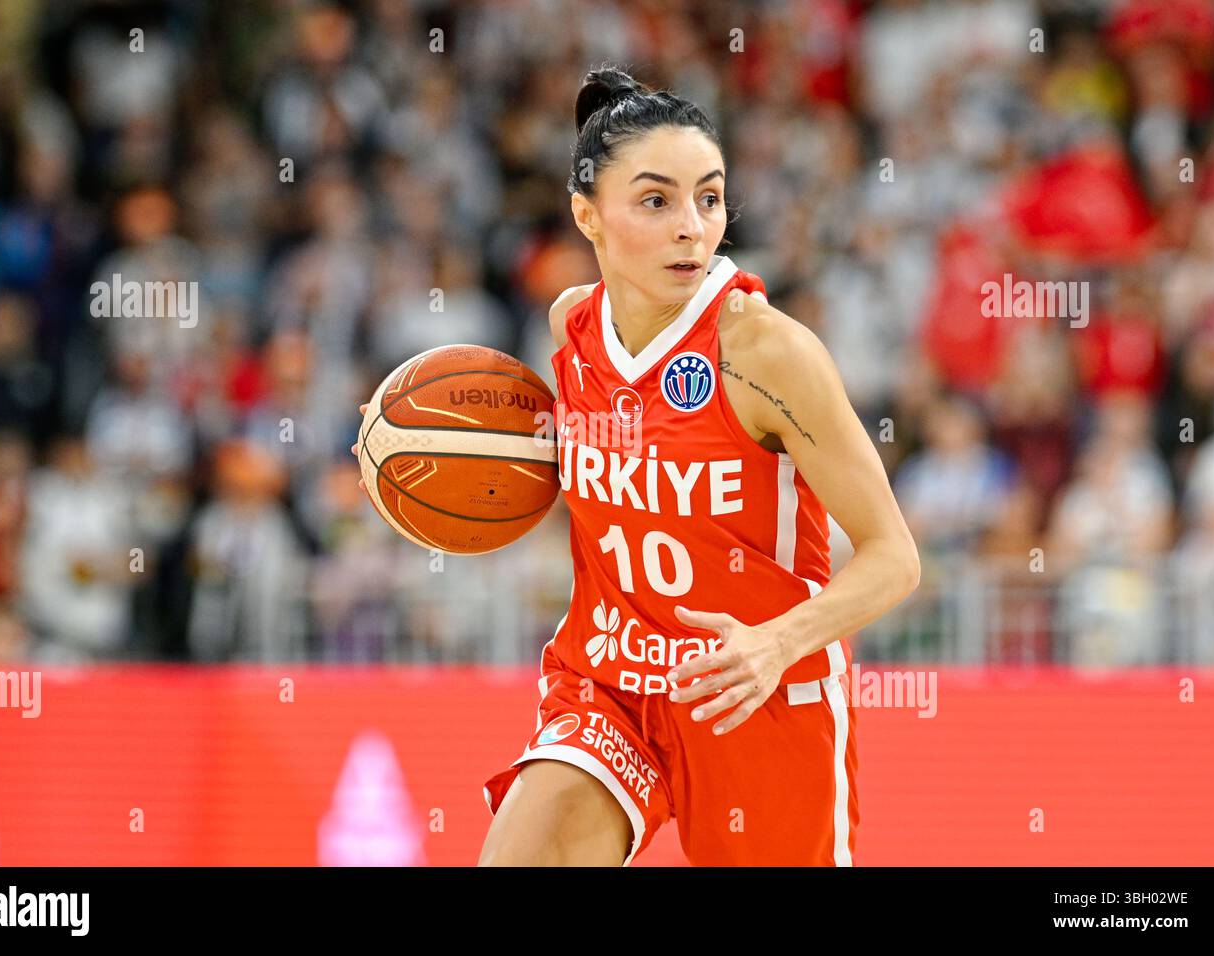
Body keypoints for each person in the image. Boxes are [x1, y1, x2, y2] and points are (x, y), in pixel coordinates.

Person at [361, 66, 919, 866]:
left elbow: (895, 559)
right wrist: (418, 457)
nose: (692, 226)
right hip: (610, 679)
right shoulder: (569, 328)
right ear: (586, 214)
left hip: (754, 693)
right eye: (656, 200)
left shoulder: (767, 353)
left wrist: (772, 644)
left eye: (711, 197)